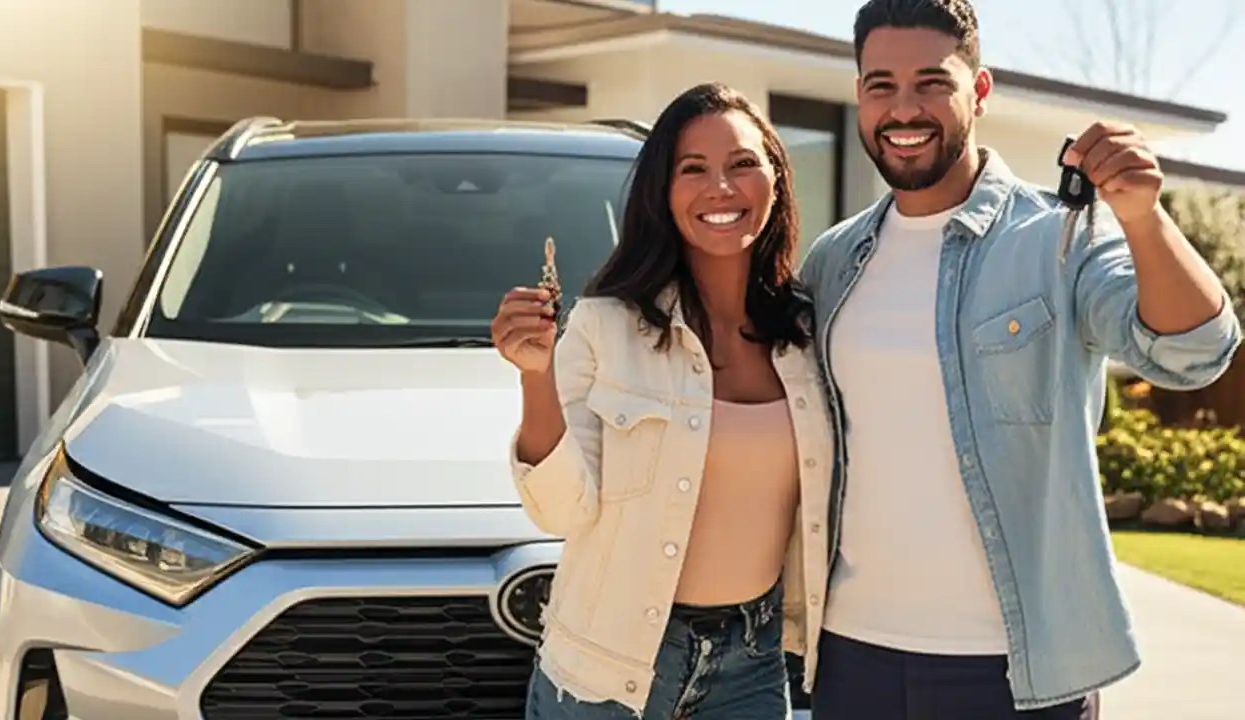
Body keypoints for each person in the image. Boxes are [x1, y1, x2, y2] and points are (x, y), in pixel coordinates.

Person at [798, 1, 1242, 718]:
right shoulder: (835, 258)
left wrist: (1142, 215)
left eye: (931, 83)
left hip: (1015, 670)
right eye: (881, 84)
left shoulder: (1060, 238)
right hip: (852, 656)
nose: (903, 108)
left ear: (979, 90)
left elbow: (1195, 353)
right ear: (859, 94)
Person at [490, 82, 832, 719]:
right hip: (608, 667)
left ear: (777, 180)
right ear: (663, 193)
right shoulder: (605, 325)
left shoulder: (810, 336)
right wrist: (534, 377)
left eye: (742, 164)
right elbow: (561, 511)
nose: (720, 188)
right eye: (692, 169)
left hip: (754, 664)